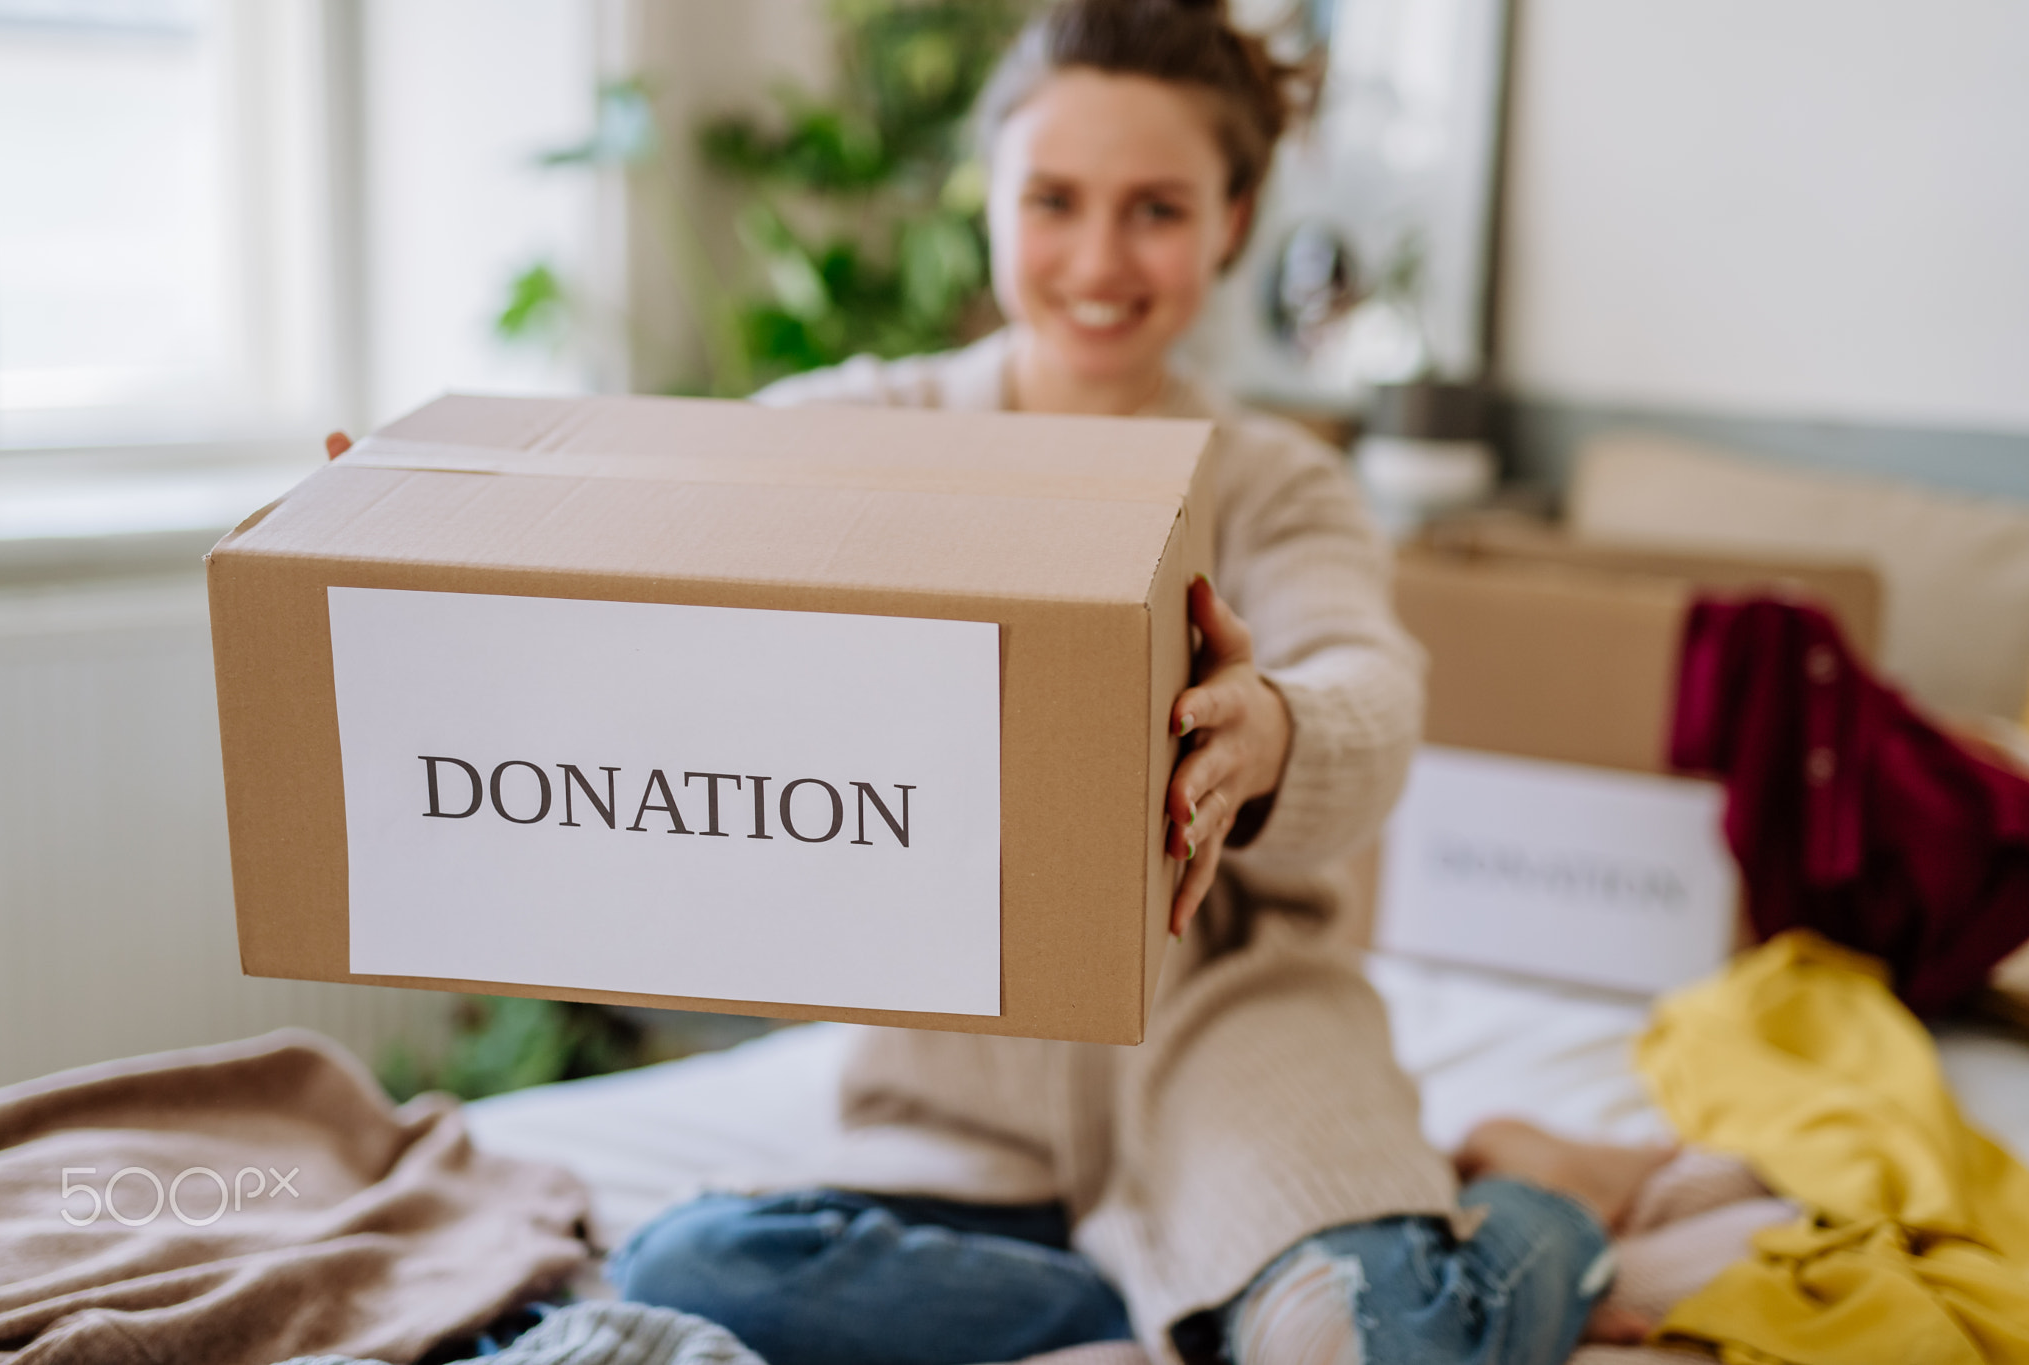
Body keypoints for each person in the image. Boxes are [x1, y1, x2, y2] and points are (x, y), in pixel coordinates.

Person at [609, 2, 1672, 1361]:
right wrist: (445, 513)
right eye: (1053, 200)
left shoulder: (1278, 476)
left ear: (1232, 220)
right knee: (686, 1267)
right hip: (958, 1095)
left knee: (1371, 1345)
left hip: (1233, 1049)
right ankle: (1199, 1300)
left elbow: (1371, 678)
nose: (1099, 259)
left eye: (1157, 209)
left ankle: (1546, 1194)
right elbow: (643, 508)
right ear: (985, 200)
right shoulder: (865, 430)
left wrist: (1276, 724)